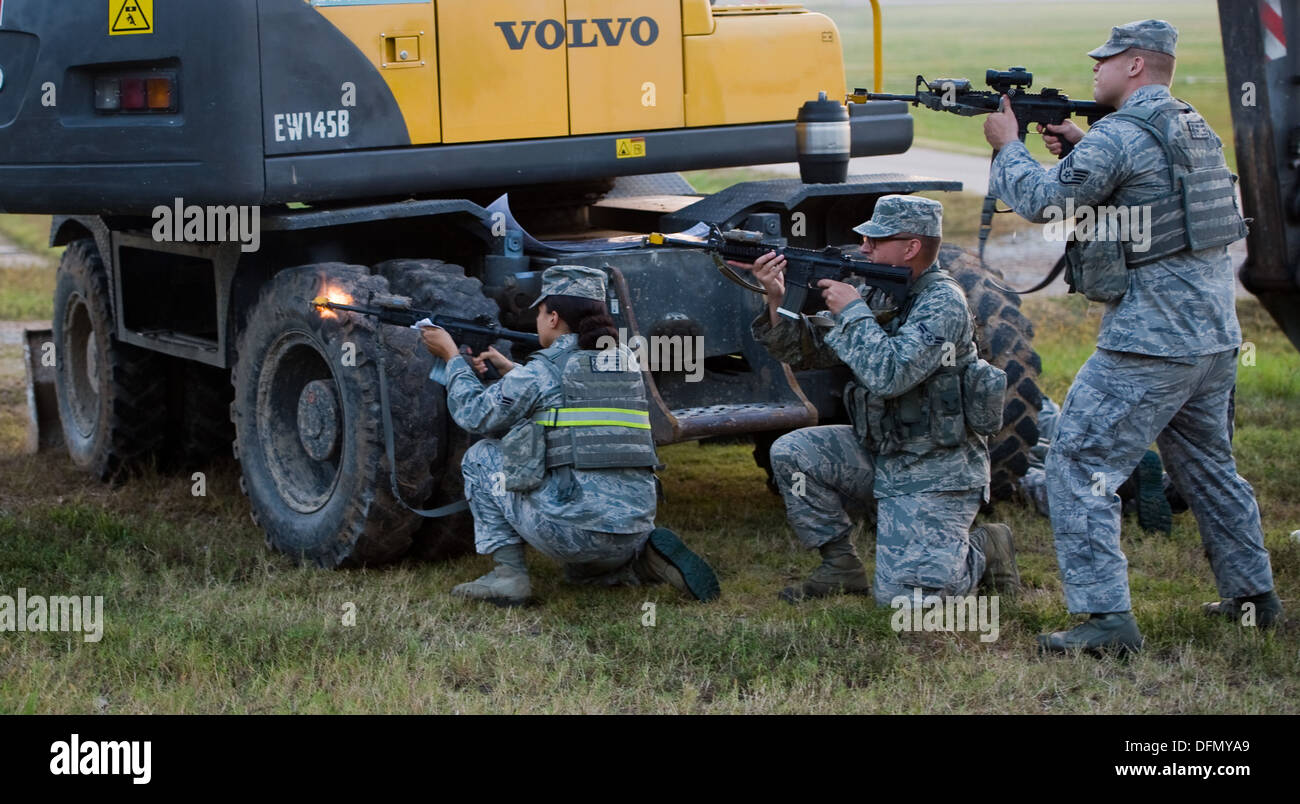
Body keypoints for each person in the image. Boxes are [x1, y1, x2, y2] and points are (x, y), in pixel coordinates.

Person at [983, 19, 1282, 654]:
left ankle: (1106, 624)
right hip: (1212, 336)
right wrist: (1080, 144)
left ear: (1137, 66)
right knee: (1210, 469)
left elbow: (1041, 201)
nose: (1096, 69)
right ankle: (1253, 597)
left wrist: (1008, 144)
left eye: (1107, 60)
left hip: (1149, 341)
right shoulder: (1190, 124)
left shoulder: (1120, 134)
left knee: (1078, 466)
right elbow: (1149, 192)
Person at [733, 195, 1020, 606]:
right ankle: (840, 567)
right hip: (884, 449)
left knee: (911, 602)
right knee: (793, 452)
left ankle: (985, 549)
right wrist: (776, 299)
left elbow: (890, 375)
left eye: (876, 240)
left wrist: (852, 312)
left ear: (912, 247)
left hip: (936, 466)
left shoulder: (943, 302)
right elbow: (809, 351)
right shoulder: (882, 293)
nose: (863, 247)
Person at [420, 264, 720, 606]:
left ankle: (508, 577)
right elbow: (570, 396)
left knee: (481, 456)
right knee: (584, 568)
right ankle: (633, 562)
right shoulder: (627, 362)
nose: (537, 320)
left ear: (553, 317)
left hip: (573, 534)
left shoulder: (542, 370)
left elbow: (474, 414)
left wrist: (452, 358)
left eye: (540, 313)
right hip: (635, 523)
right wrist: (513, 371)